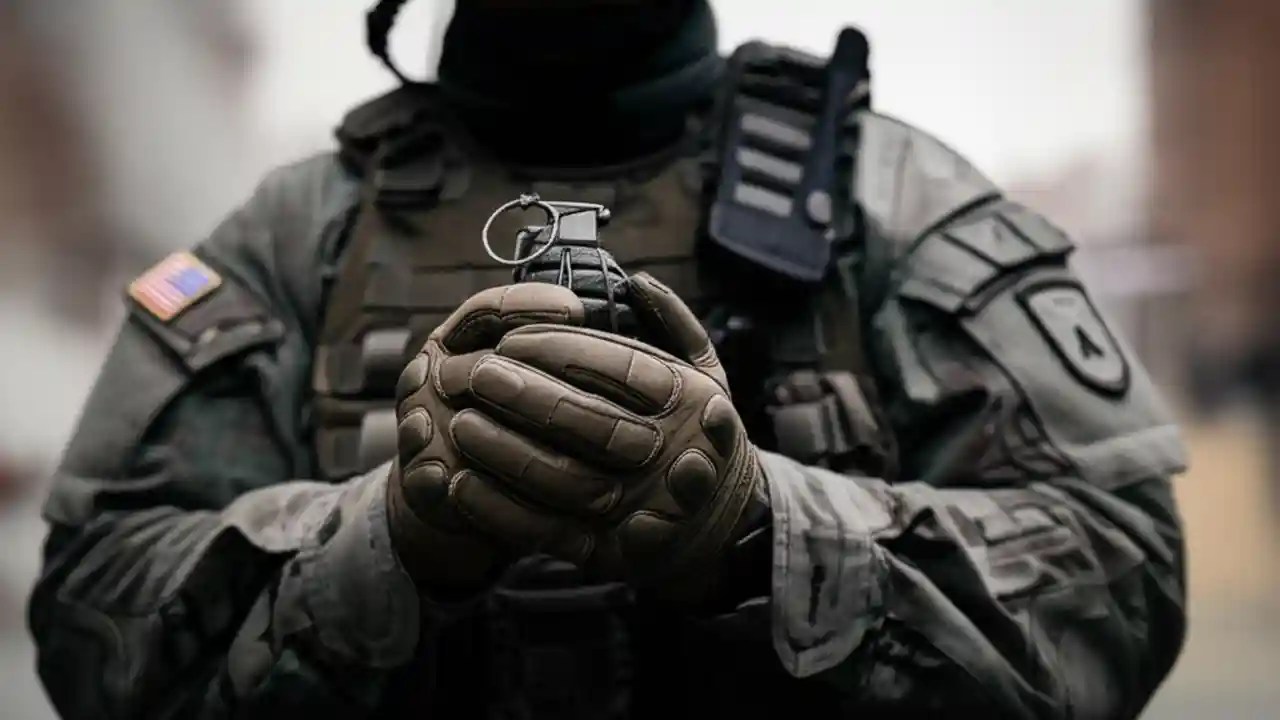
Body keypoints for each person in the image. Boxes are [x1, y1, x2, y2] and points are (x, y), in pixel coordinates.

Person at [28, 1, 1189, 718]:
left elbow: (1122, 581)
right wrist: (386, 547)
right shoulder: (295, 237)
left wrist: (759, 532)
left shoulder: (891, 207)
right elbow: (95, 619)